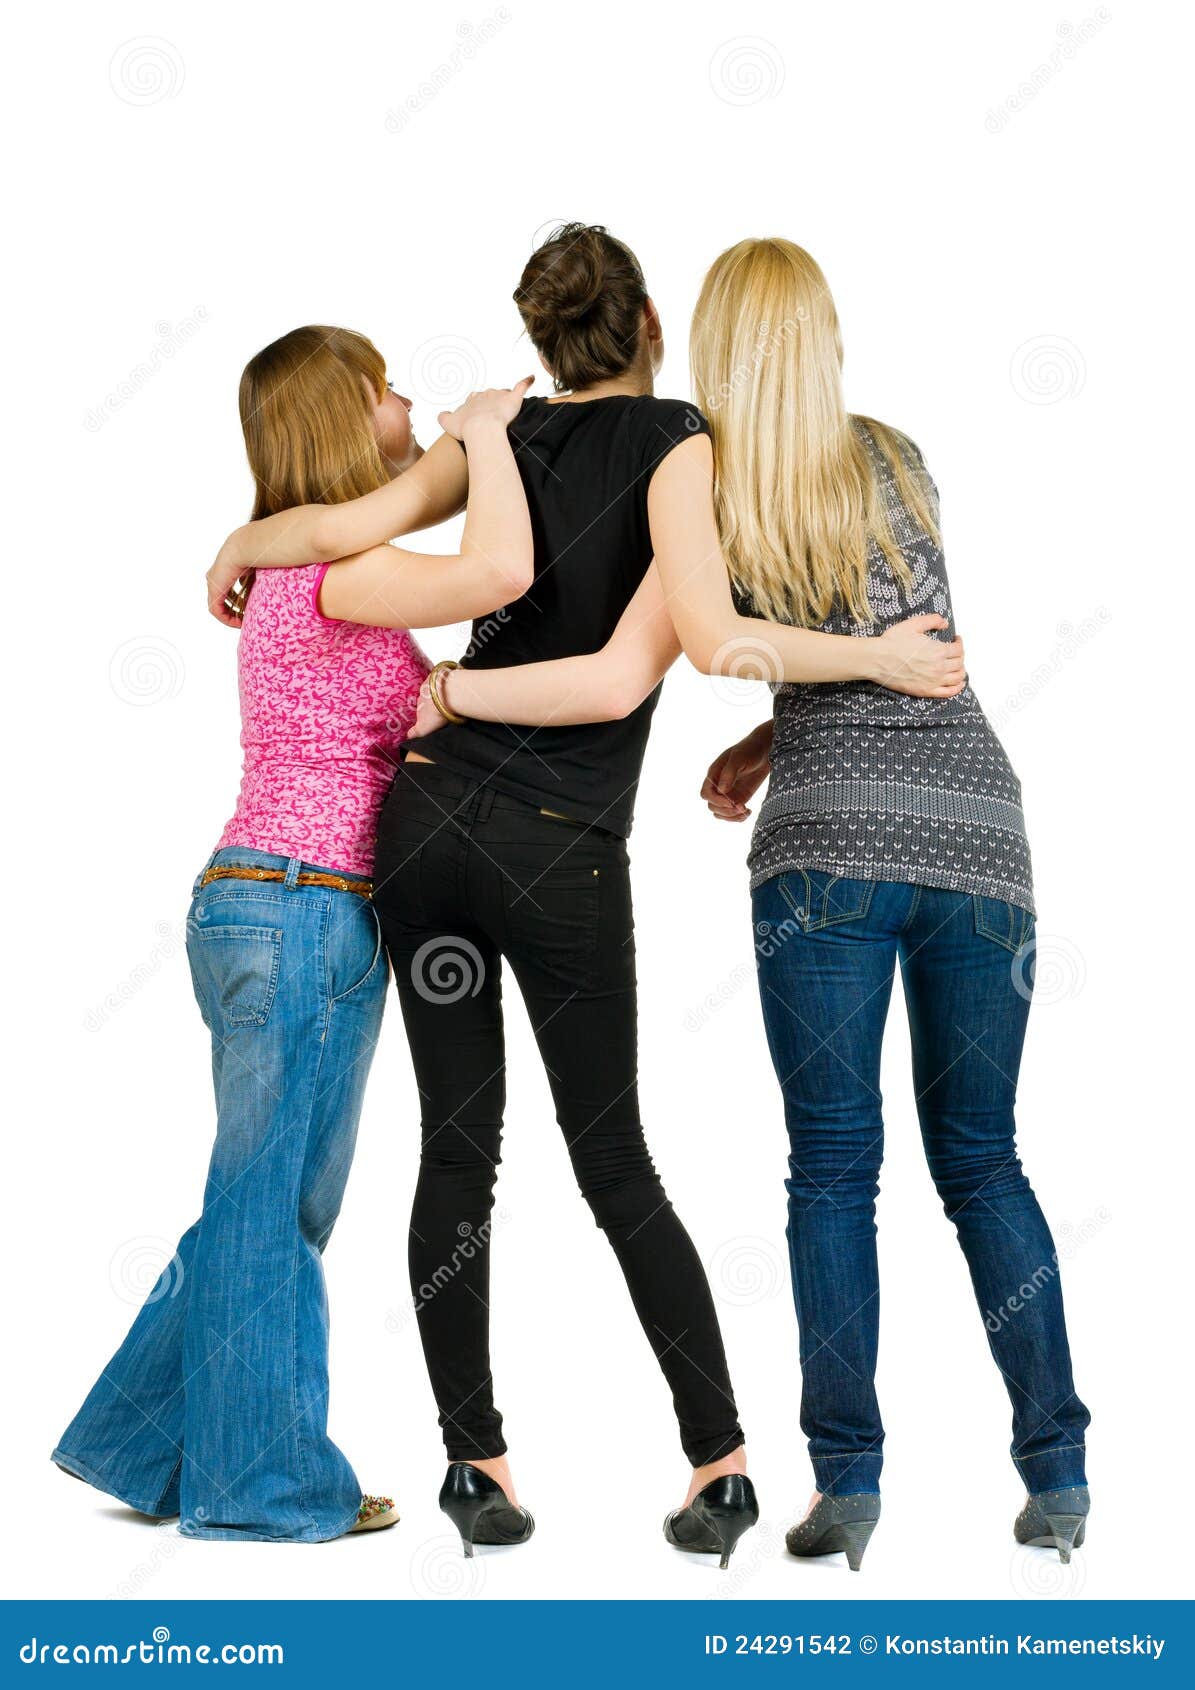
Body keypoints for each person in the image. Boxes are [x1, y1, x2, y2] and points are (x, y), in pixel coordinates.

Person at [215, 227, 965, 1563]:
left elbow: (339, 527)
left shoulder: (491, 437)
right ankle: (718, 1462)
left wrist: (252, 542)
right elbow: (635, 675)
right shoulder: (681, 444)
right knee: (610, 1155)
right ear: (648, 332)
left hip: (424, 827)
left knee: (457, 1151)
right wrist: (874, 660)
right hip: (555, 845)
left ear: (544, 344)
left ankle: (473, 1460)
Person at [53, 327, 535, 1542]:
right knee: (274, 1205)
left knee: (267, 1202)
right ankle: (264, 1484)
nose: (407, 399)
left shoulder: (303, 564)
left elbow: (415, 516)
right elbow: (494, 576)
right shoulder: (341, 573)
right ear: (341, 416)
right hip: (303, 904)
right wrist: (482, 427)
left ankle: (140, 1439)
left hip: (269, 903)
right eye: (386, 389)